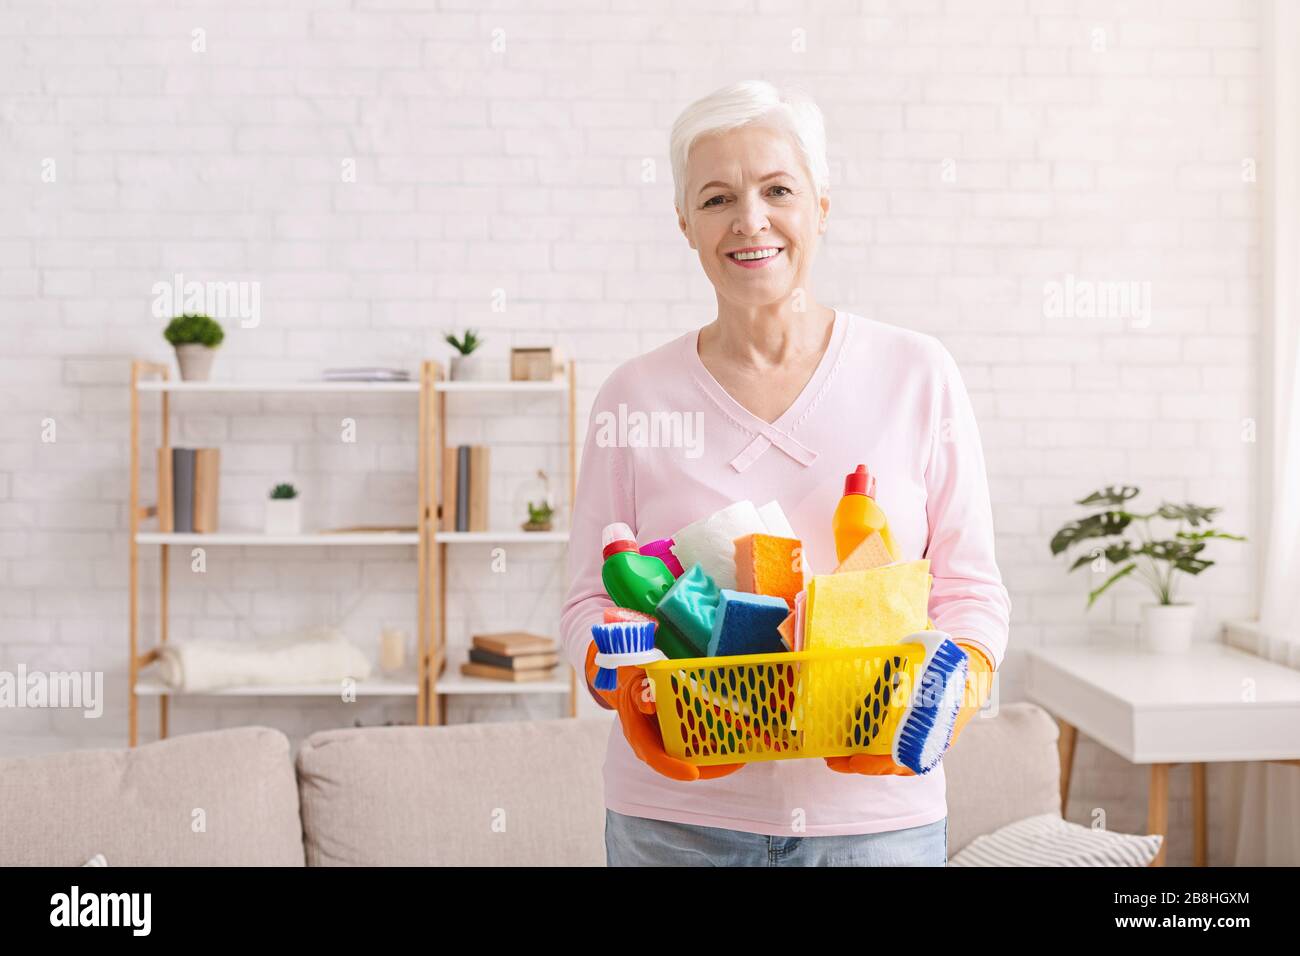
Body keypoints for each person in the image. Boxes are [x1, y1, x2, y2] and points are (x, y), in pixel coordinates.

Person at [559, 80, 1010, 867]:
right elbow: (587, 600)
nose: (750, 220)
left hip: (876, 824)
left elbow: (970, 591)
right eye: (717, 198)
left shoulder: (917, 374)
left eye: (777, 190)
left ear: (821, 206)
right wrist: (622, 682)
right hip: (676, 823)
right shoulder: (633, 396)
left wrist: (945, 699)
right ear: (684, 224)